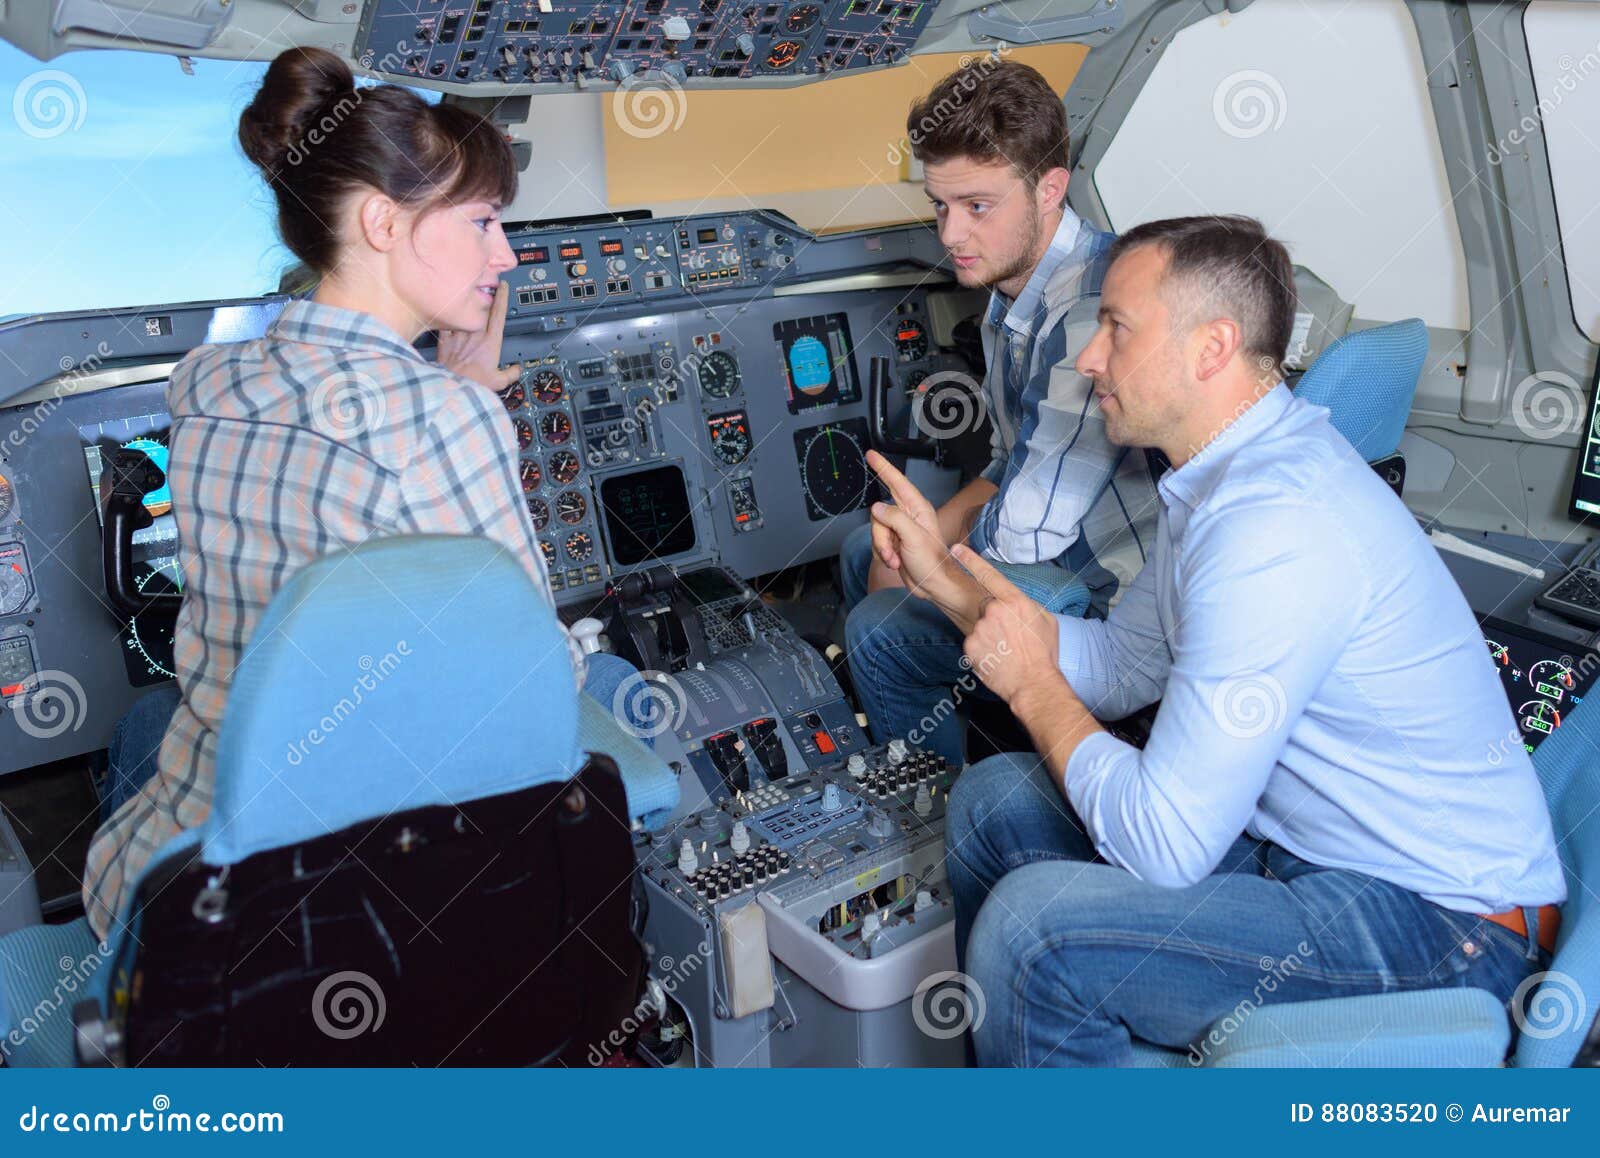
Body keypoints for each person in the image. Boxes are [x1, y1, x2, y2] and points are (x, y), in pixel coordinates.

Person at [865, 214, 1566, 1067]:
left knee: (1033, 935)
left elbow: (1164, 842)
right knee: (995, 807)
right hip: (1313, 857)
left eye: (1116, 328)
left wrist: (1030, 688)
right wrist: (947, 581)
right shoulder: (1216, 480)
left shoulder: (1271, 521)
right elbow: (1121, 668)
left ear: (1212, 347)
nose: (1089, 358)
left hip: (1446, 928)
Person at [83, 46, 638, 939]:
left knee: (150, 720)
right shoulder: (441, 421)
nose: (505, 255)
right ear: (384, 221)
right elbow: (537, 675)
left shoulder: (206, 384)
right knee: (608, 675)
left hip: (161, 891)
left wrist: (452, 388)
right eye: (484, 221)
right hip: (346, 904)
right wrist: (458, 401)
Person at [842, 60, 1157, 766]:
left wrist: (928, 559)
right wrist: (924, 535)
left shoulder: (1088, 310)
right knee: (865, 548)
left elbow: (1025, 534)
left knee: (877, 627)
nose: (951, 235)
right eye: (940, 206)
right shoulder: (1010, 291)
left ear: (1050, 188)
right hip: (1058, 545)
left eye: (977, 206)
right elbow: (1007, 462)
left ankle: (935, 813)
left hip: (1110, 591)